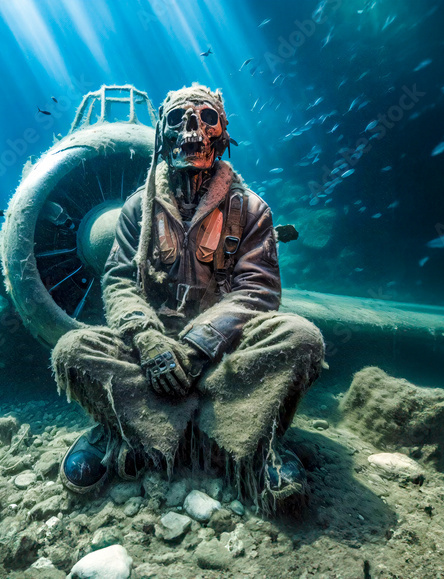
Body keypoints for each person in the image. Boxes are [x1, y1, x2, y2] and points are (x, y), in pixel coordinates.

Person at [50, 84, 326, 509]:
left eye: (206, 119)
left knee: (301, 338)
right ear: (161, 134)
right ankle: (138, 432)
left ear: (223, 133)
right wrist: (146, 340)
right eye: (178, 120)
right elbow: (120, 282)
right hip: (152, 356)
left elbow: (259, 290)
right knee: (72, 349)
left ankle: (244, 442)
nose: (193, 132)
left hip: (223, 356)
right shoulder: (135, 210)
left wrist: (198, 347)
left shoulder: (253, 211)